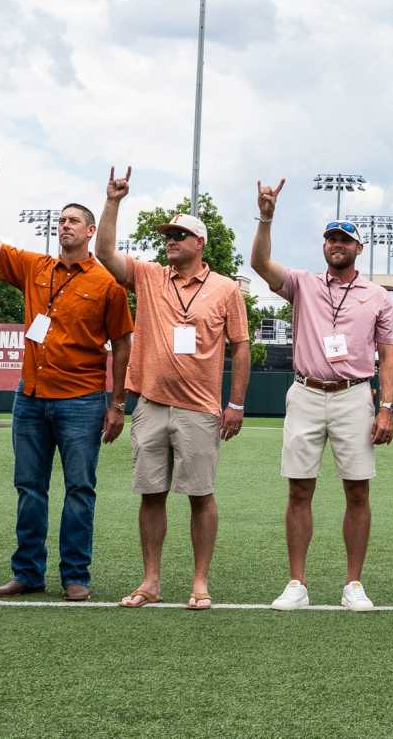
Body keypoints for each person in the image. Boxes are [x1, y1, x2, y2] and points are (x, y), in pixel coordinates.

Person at [0, 160, 135, 602]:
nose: (64, 226)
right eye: (61, 220)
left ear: (90, 230)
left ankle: (75, 575)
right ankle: (27, 573)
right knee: (29, 488)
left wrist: (116, 404)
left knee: (79, 489)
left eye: (73, 221)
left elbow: (122, 344)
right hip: (31, 398)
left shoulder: (107, 284)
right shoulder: (34, 267)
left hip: (81, 401)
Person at [95, 168, 250, 611]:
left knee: (201, 495)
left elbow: (241, 348)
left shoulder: (225, 289)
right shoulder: (148, 276)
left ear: (200, 243)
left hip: (200, 409)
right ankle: (151, 580)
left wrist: (235, 402)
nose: (171, 239)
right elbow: (105, 251)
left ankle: (200, 581)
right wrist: (113, 202)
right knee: (151, 493)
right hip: (150, 404)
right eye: (169, 234)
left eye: (180, 234)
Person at [250, 178, 393, 612]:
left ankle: (353, 583)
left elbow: (388, 356)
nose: (337, 245)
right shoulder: (302, 283)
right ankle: (297, 582)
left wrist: (387, 408)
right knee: (299, 489)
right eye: (331, 238)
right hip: (307, 391)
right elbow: (260, 263)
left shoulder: (377, 296)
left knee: (357, 490)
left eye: (344, 239)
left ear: (358, 248)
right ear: (324, 246)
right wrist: (266, 216)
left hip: (354, 394)